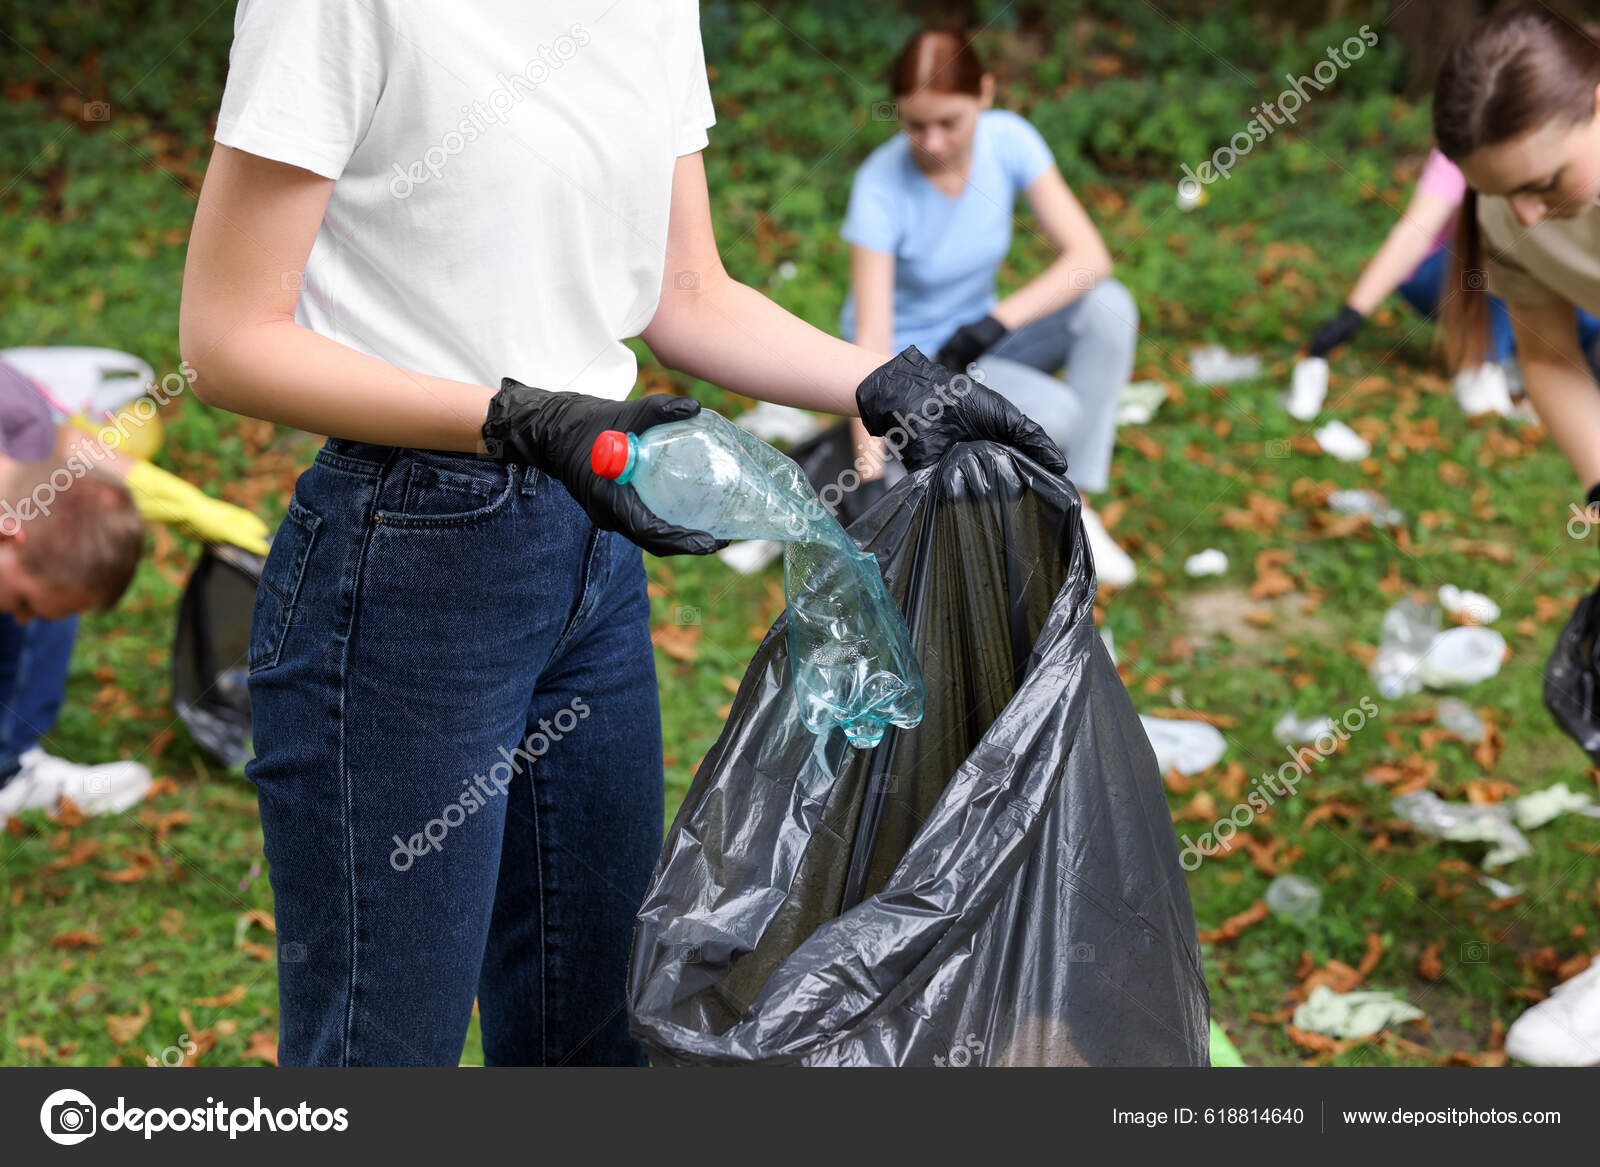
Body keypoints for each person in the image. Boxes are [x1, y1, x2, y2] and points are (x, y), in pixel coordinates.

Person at [179, 0, 1065, 1068]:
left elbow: (684, 293)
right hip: (406, 566)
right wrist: (518, 418)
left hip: (589, 549)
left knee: (594, 1030)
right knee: (382, 1053)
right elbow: (228, 342)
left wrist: (885, 382)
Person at [1433, 4, 1600, 1067]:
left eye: (1545, 182)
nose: (1528, 217)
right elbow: (1546, 355)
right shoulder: (1513, 219)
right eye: (1501, 195)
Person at [839, 29, 1139, 586]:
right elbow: (870, 338)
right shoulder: (880, 187)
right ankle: (1028, 516)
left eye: (948, 122)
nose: (931, 142)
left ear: (986, 93)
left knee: (1108, 304)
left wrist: (995, 322)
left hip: (981, 337)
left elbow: (1089, 256)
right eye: (914, 125)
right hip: (918, 367)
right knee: (1059, 415)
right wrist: (870, 472)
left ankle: (1079, 508)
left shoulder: (1010, 141)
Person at [1305, 145, 1600, 416]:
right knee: (1497, 250)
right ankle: (1480, 368)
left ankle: (1527, 362)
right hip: (1440, 275)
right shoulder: (1464, 147)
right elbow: (1413, 234)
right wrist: (1353, 313)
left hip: (1534, 277)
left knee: (1581, 321)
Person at [0, 357, 151, 824]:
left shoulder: (30, 432)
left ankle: (9, 766)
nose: (22, 620)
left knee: (48, 580)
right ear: (10, 533)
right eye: (26, 605)